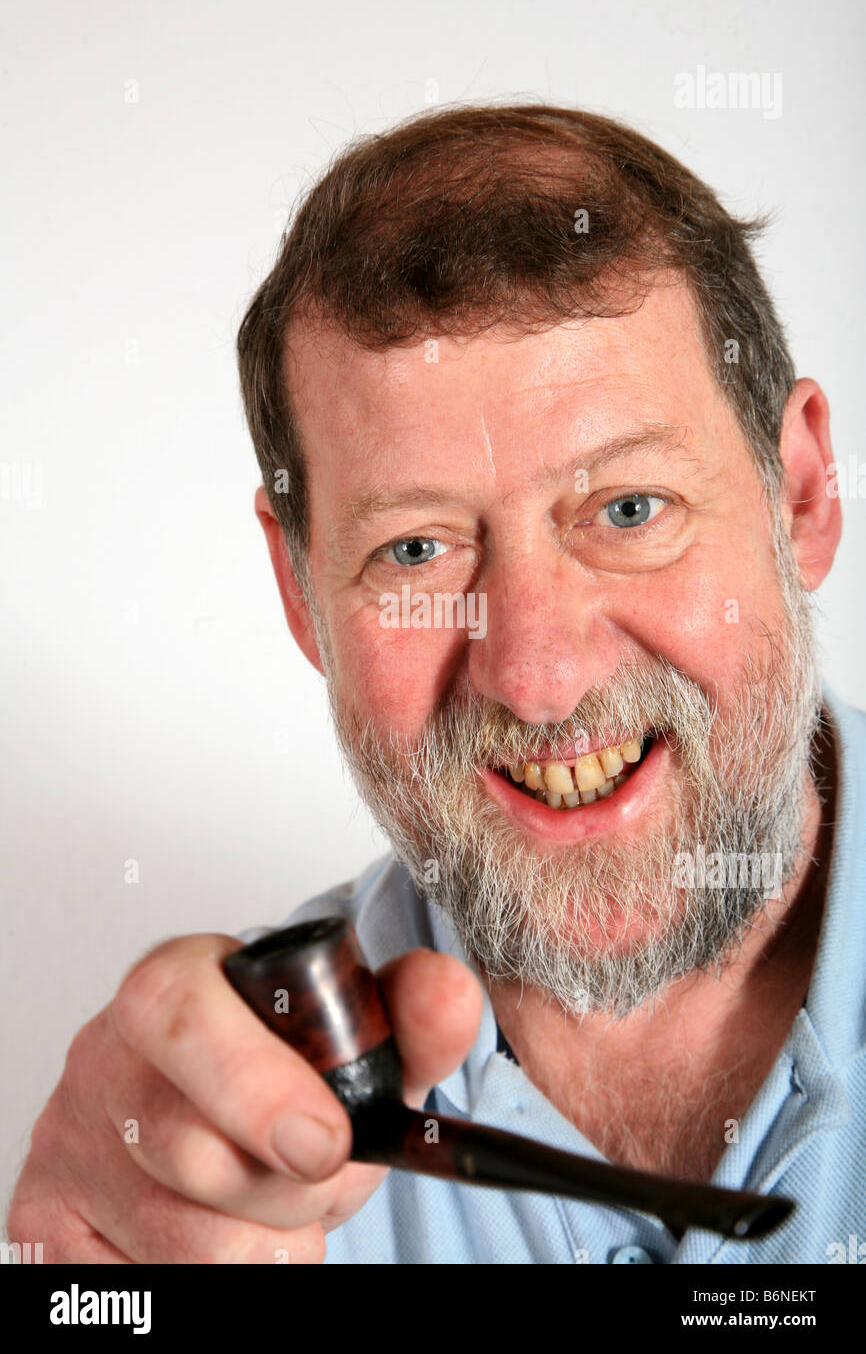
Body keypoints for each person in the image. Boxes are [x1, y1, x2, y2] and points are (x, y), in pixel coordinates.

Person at [8, 103, 863, 1265]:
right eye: (414, 550)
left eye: (626, 509)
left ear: (799, 497)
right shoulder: (240, 1131)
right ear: (302, 590)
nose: (539, 679)